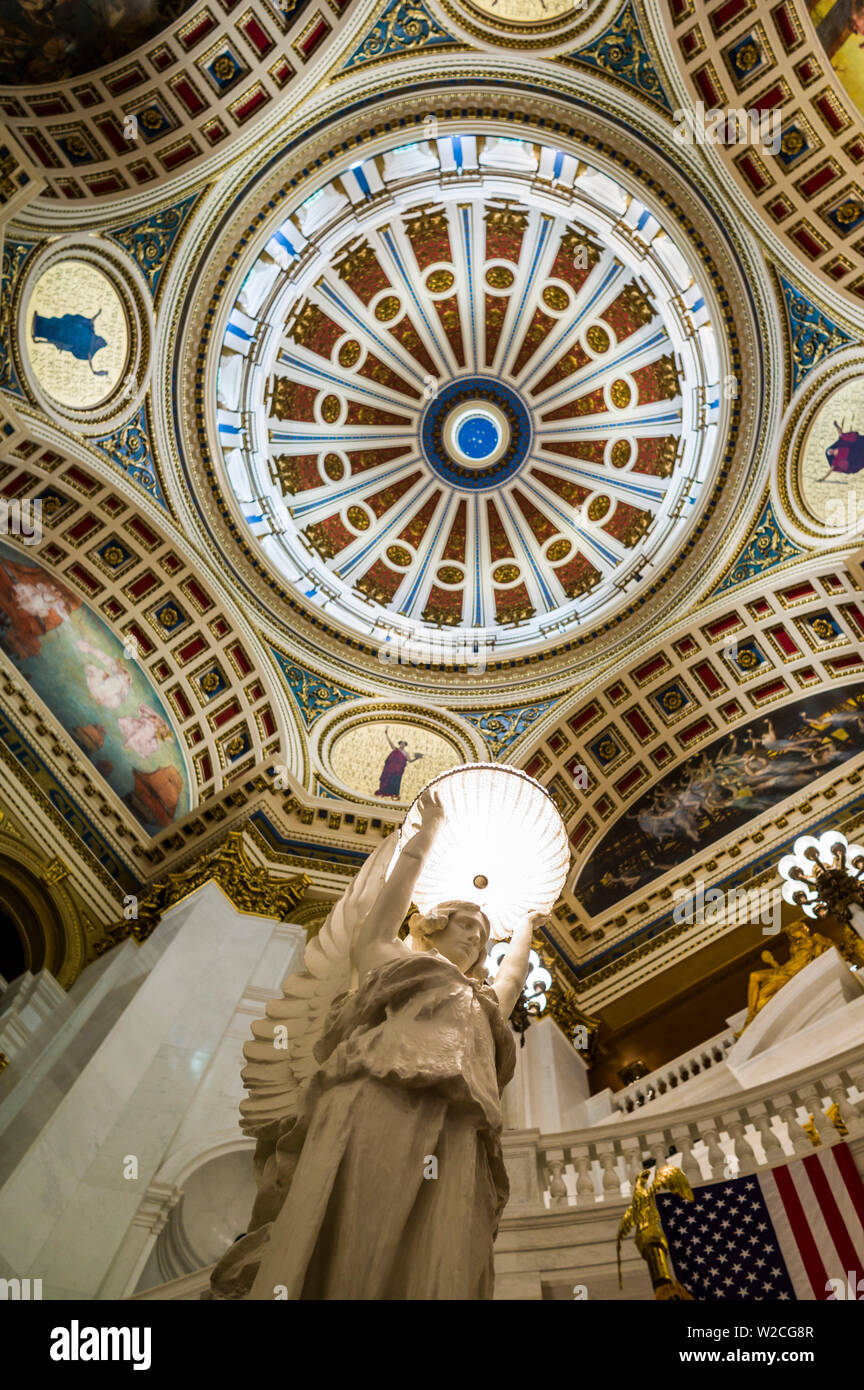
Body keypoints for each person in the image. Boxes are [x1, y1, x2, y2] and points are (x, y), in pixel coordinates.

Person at [210, 787, 546, 1300]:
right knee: (361, 1218)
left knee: (444, 1240)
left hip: (459, 1117)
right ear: (431, 925)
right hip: (378, 1095)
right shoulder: (391, 957)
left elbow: (515, 975)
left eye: (483, 935)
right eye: (466, 924)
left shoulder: (482, 1001)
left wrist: (525, 920)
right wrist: (426, 834)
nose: (476, 938)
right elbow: (388, 906)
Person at [374, 725, 423, 798]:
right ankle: (385, 791)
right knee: (388, 779)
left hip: (398, 771)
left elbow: (410, 761)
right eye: (401, 743)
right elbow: (390, 743)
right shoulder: (396, 749)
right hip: (391, 769)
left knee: (396, 781)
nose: (402, 745)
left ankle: (394, 793)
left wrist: (417, 758)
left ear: (405, 745)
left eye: (404, 744)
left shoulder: (406, 753)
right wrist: (386, 734)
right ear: (399, 744)